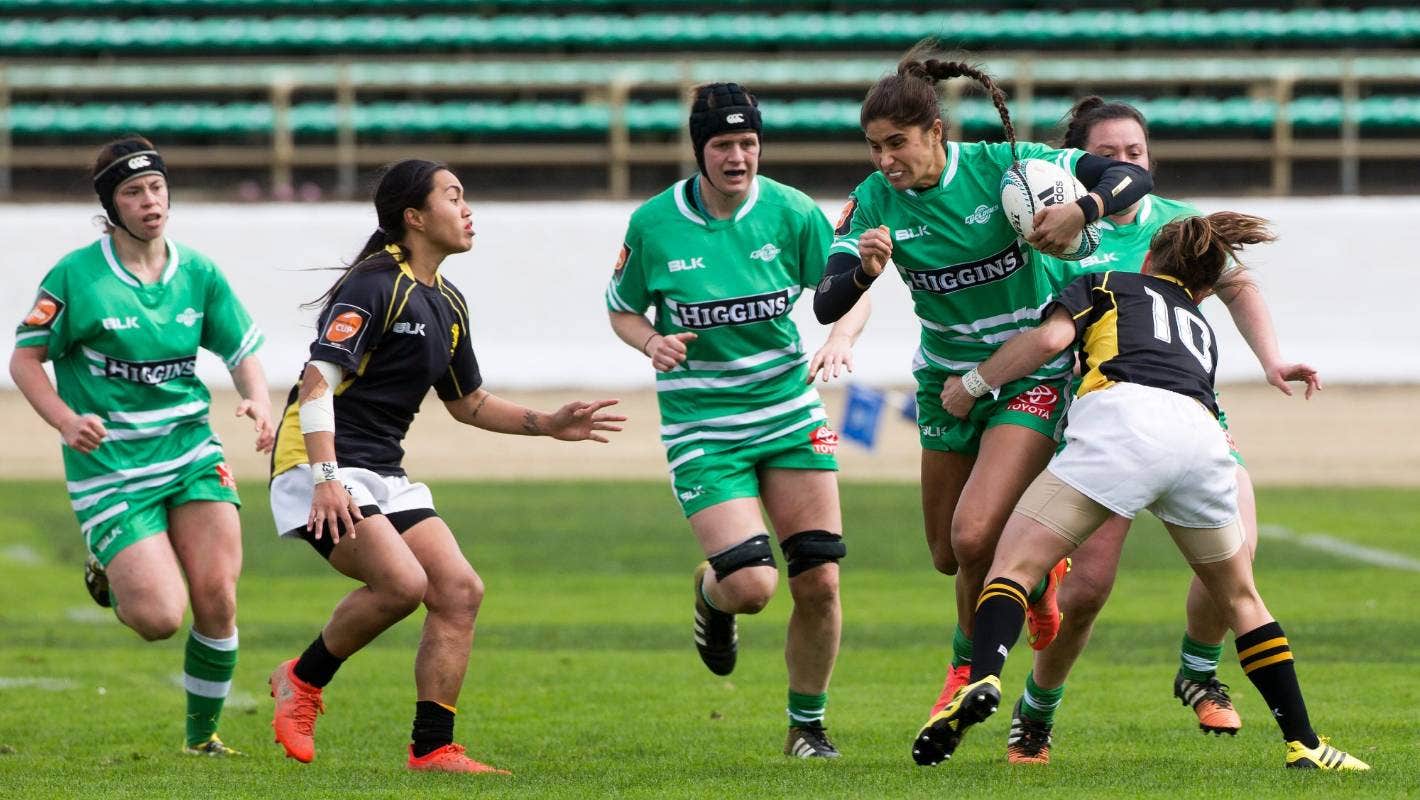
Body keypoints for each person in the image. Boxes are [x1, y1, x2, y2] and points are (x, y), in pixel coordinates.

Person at [918, 211, 1368, 771]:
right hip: (1203, 441)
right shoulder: (1199, 324)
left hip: (1122, 424)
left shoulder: (1105, 283)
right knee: (1242, 597)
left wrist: (977, 382)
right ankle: (1306, 744)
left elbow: (1049, 339)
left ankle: (982, 675)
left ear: (1148, 260)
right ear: (1203, 287)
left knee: (1013, 565)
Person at [813, 44, 1153, 731]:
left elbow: (1128, 181)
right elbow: (826, 300)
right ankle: (1039, 575)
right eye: (875, 146)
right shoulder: (874, 201)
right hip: (944, 378)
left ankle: (966, 672)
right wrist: (862, 273)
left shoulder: (1011, 168)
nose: (884, 160)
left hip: (1028, 371)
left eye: (897, 143)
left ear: (936, 133)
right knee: (946, 555)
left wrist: (1083, 207)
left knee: (975, 538)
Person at [266, 159, 625, 774]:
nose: (467, 209)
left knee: (459, 591)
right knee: (402, 585)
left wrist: (550, 425)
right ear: (414, 217)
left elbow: (470, 404)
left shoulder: (447, 302)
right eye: (453, 197)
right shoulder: (374, 284)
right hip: (317, 461)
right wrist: (326, 480)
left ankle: (432, 747)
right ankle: (300, 680)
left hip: (379, 468)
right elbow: (316, 384)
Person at [997, 97, 1324, 763]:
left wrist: (1271, 361)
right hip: (1103, 419)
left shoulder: (1177, 223)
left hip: (1187, 414)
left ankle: (1199, 671)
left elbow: (1240, 287)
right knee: (1086, 592)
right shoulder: (1050, 226)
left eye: (1136, 153)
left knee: (1235, 556)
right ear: (1079, 162)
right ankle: (1035, 711)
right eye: (1110, 155)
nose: (1125, 164)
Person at [606, 82, 871, 758]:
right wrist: (649, 341)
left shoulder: (791, 212)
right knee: (753, 585)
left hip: (788, 411)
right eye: (723, 144)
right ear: (700, 149)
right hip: (702, 426)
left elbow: (849, 290)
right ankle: (713, 594)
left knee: (820, 577)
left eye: (747, 143)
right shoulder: (654, 224)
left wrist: (841, 336)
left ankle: (807, 728)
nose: (737, 156)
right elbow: (622, 307)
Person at [10, 135, 274, 756]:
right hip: (111, 468)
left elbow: (242, 351)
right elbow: (25, 360)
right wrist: (65, 420)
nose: (150, 201)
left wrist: (258, 399)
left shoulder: (199, 272)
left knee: (218, 597)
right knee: (159, 619)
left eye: (156, 187)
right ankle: (106, 567)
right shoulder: (77, 276)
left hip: (190, 453)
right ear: (112, 206)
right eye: (133, 192)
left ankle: (200, 738)